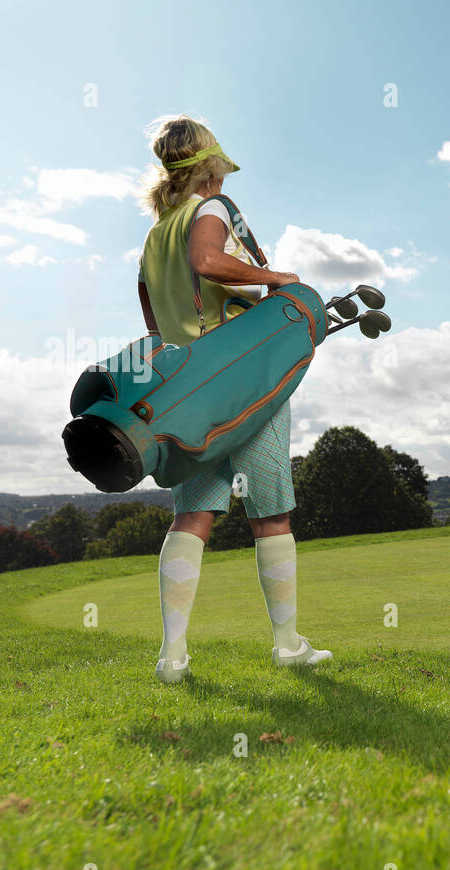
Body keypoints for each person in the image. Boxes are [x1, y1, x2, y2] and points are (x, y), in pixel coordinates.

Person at [137, 114, 331, 684]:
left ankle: (172, 656)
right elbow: (207, 262)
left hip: (188, 395)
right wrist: (276, 278)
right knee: (272, 513)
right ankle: (287, 645)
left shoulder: (154, 236)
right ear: (210, 167)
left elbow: (153, 325)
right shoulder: (212, 210)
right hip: (243, 379)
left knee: (193, 516)